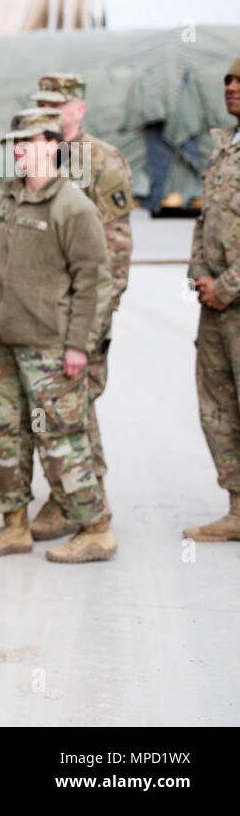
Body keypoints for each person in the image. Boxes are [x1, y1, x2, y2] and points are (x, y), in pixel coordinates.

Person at [0, 108, 115, 563]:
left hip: (51, 348)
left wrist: (78, 347)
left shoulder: (73, 206)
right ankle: (13, 525)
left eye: (28, 141)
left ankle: (96, 528)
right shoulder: (6, 200)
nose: (19, 151)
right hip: (6, 344)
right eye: (14, 143)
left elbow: (94, 282)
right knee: (7, 435)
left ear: (53, 144)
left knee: (61, 440)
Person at [28, 73, 134, 540]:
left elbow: (116, 250)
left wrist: (95, 321)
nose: (51, 111)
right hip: (41, 312)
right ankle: (63, 494)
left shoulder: (103, 162)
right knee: (48, 410)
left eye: (59, 105)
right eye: (43, 104)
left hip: (82, 313)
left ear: (79, 110)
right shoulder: (35, 156)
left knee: (79, 405)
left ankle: (92, 499)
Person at [185, 56, 240, 543]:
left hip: (234, 300)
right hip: (216, 308)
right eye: (227, 80)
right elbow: (205, 221)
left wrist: (225, 288)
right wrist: (201, 276)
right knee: (218, 406)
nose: (232, 87)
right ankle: (238, 508)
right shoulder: (224, 150)